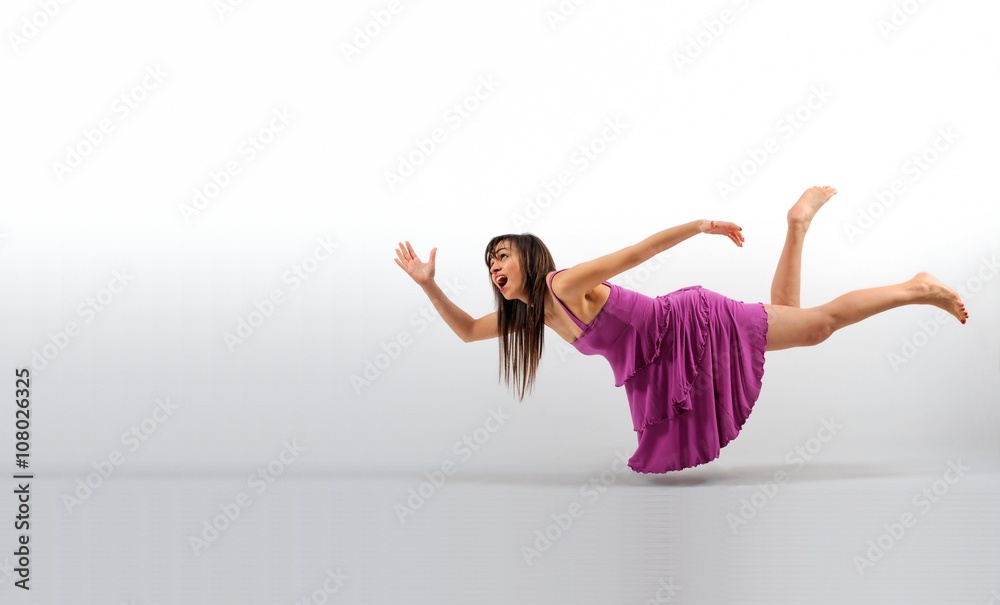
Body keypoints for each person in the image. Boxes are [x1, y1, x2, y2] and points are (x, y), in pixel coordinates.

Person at [393, 186, 968, 473]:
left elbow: (635, 252)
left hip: (692, 326)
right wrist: (427, 285)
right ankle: (797, 225)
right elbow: (469, 330)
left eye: (503, 256)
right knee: (793, 319)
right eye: (489, 263)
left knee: (814, 329)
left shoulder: (561, 287)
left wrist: (701, 225)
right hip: (671, 349)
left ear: (529, 259)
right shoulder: (532, 316)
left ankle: (918, 287)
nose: (494, 268)